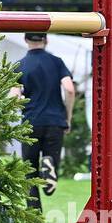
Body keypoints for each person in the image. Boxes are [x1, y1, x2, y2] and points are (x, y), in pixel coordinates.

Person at [13, 32, 75, 210]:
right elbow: (69, 89)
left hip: (30, 122)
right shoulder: (57, 62)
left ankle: (34, 211)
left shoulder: (19, 66)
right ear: (45, 40)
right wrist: (67, 117)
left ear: (25, 40)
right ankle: (49, 164)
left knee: (29, 169)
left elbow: (15, 97)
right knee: (51, 158)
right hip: (55, 121)